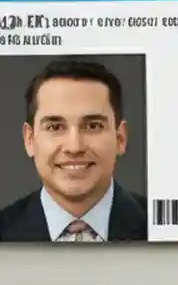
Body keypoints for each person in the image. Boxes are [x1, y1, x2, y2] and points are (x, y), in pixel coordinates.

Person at [0, 59, 147, 242]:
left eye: (93, 126)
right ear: (29, 140)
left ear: (120, 138)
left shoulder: (159, 228)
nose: (74, 147)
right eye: (55, 127)